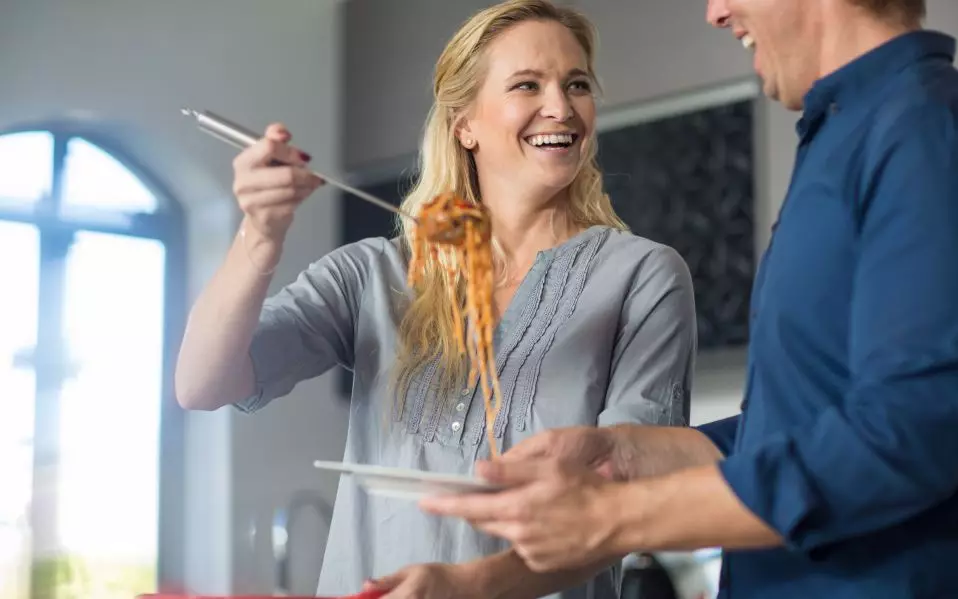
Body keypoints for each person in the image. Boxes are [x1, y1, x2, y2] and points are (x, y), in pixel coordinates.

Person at [420, 0, 958, 598]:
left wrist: (612, 517)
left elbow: (916, 430)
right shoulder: (850, 130)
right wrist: (626, 454)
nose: (716, 11)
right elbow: (806, 425)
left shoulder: (923, 131)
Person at [173, 1, 697, 597]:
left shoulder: (643, 276)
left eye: (576, 84)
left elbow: (631, 497)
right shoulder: (375, 272)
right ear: (464, 123)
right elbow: (201, 384)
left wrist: (468, 584)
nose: (562, 106)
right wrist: (259, 237)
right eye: (528, 84)